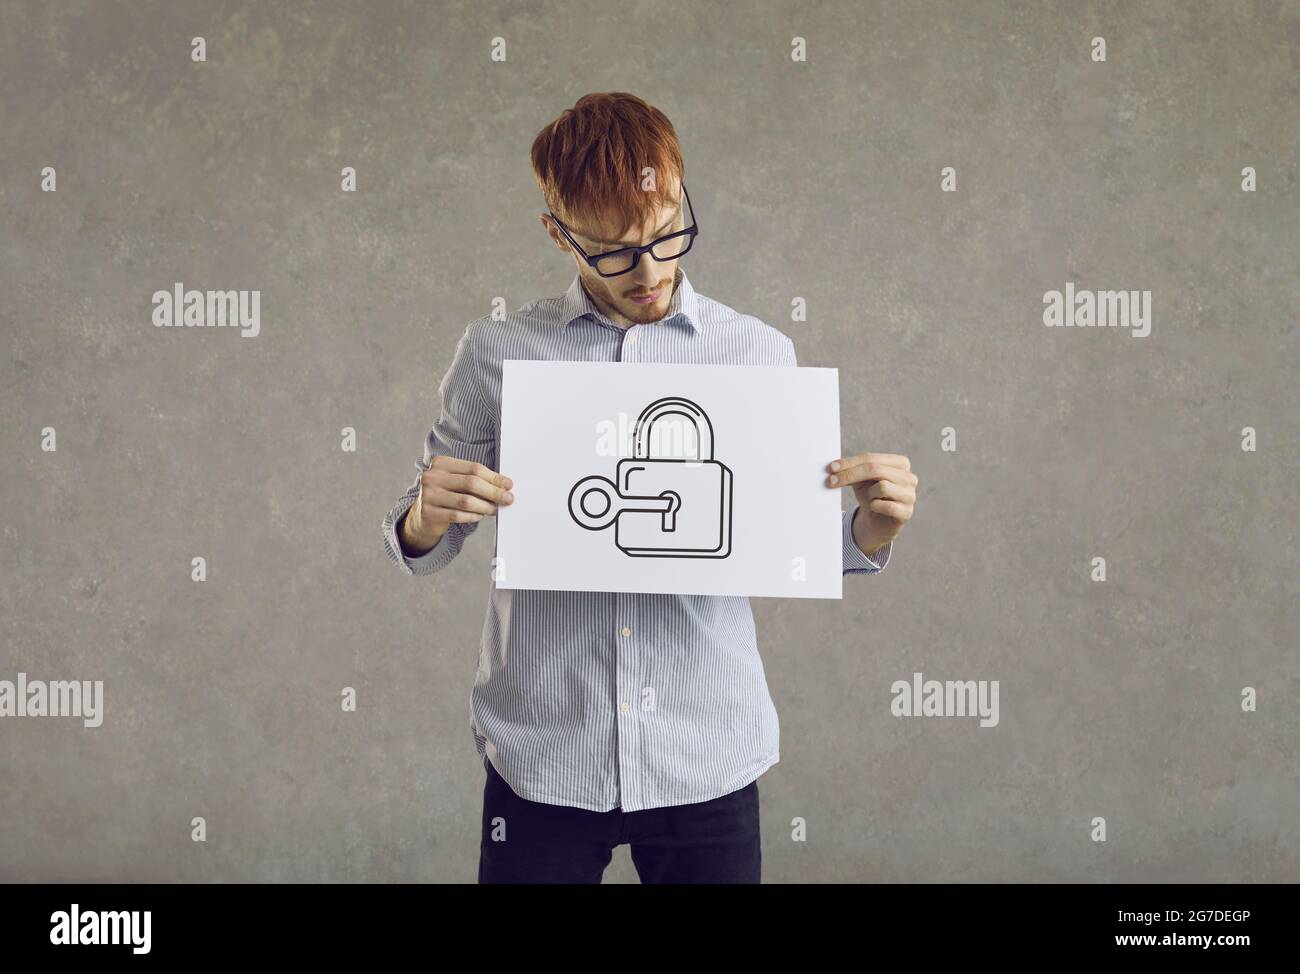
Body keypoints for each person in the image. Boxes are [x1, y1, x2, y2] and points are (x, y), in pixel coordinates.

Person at [381, 92, 918, 883]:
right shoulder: (497, 354)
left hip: (706, 753)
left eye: (667, 235)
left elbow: (780, 549)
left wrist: (871, 530)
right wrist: (425, 517)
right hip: (543, 754)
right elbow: (423, 549)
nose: (650, 273)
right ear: (557, 235)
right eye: (612, 252)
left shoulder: (757, 353)